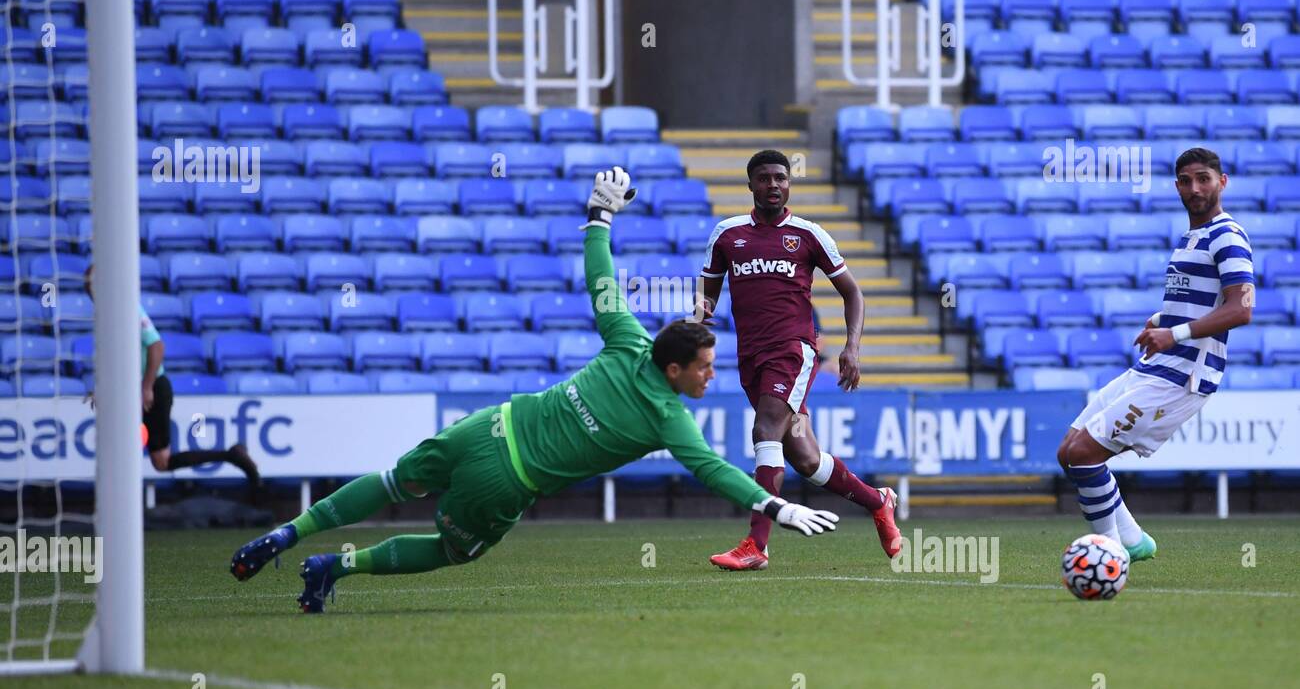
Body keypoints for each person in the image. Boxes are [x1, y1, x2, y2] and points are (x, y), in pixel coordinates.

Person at [229, 167, 841, 612]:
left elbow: (602, 282)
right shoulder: (667, 418)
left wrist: (600, 217)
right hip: (508, 481)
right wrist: (780, 507)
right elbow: (713, 472)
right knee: (453, 551)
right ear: (676, 370)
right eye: (705, 366)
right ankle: (336, 566)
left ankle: (290, 533)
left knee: (395, 481)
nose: (713, 374)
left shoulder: (629, 340)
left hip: (487, 426)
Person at [698, 150, 901, 571]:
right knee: (805, 459)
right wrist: (697, 327)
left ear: (789, 184)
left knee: (765, 429)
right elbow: (709, 294)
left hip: (793, 350)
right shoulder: (727, 235)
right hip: (750, 356)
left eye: (781, 178)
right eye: (765, 178)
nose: (774, 184)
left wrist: (852, 347)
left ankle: (757, 545)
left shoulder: (808, 235)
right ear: (750, 184)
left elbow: (852, 292)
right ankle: (878, 501)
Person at [1056, 147, 1255, 560]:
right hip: (1158, 365)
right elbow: (1199, 301)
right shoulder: (1192, 237)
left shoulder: (1227, 236)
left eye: (1204, 178)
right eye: (1187, 180)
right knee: (1068, 452)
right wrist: (1161, 319)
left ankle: (1107, 556)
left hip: (1185, 375)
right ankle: (1132, 541)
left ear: (1223, 181)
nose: (1196, 188)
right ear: (1177, 186)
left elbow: (1241, 309)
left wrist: (1174, 334)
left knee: (1083, 454)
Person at [83, 264, 260, 486]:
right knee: (158, 461)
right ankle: (231, 455)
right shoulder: (106, 319)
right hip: (132, 390)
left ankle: (232, 456)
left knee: (151, 458)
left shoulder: (128, 310)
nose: (90, 291)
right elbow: (115, 361)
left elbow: (156, 346)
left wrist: (147, 387)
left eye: (94, 285)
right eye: (88, 286)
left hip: (152, 388)